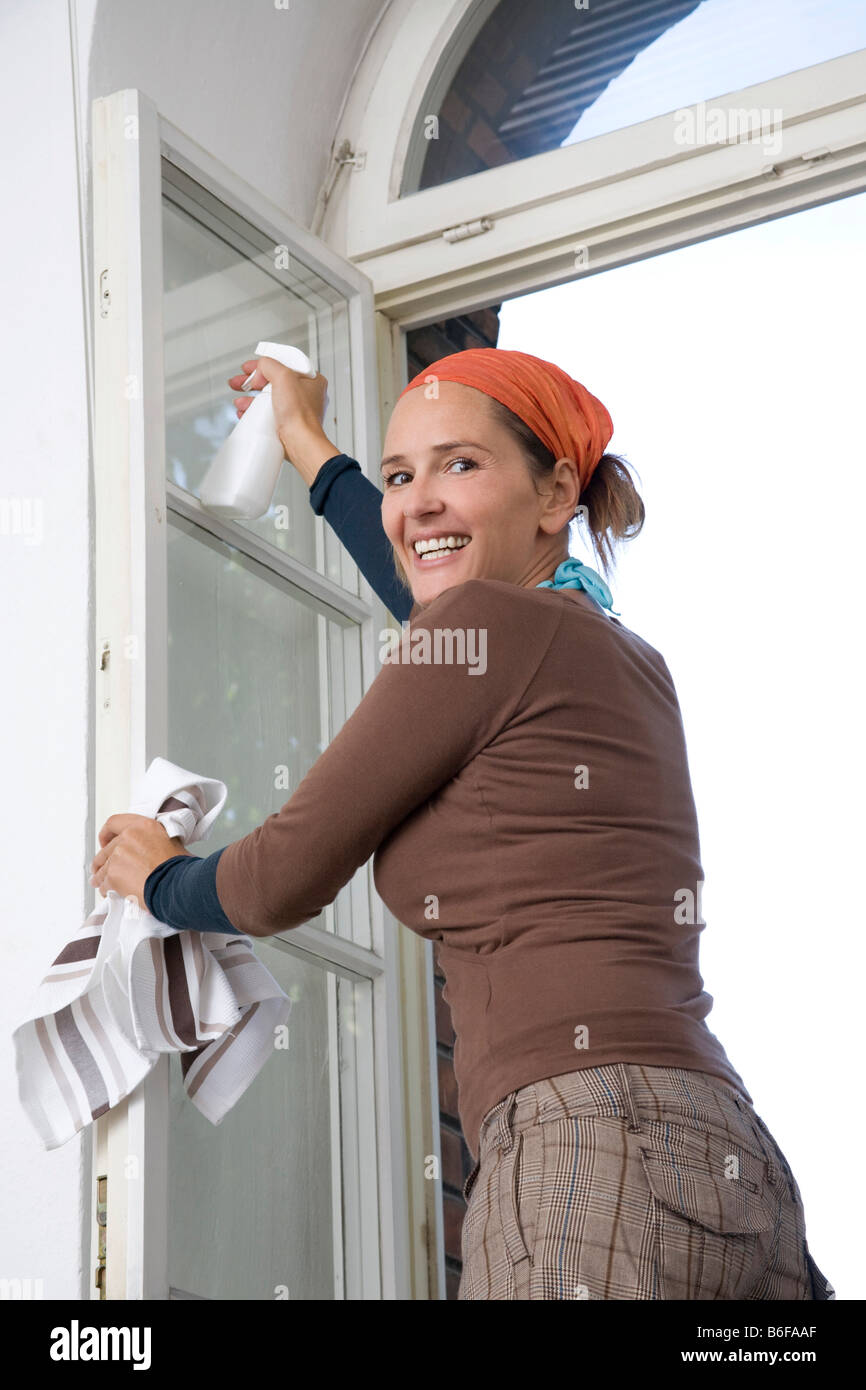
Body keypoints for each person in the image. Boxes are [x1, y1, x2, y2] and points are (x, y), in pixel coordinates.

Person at [90, 347, 834, 1302]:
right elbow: (435, 590)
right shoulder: (611, 651)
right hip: (732, 1163)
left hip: (587, 1147)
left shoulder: (488, 633)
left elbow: (281, 876)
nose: (418, 502)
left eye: (461, 465)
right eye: (402, 476)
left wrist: (160, 878)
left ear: (557, 489)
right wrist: (310, 446)